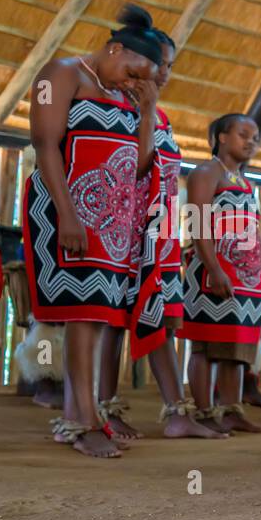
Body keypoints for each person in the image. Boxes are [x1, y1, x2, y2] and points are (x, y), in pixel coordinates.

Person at [22, 5, 164, 457]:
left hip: (112, 221)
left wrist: (147, 110)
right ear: (114, 47)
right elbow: (44, 145)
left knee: (101, 316)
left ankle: (87, 412)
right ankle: (79, 420)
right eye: (132, 71)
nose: (134, 81)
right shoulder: (60, 72)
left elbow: (138, 166)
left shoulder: (126, 96)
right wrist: (67, 215)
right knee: (83, 313)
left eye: (145, 79)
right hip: (67, 210)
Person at [97, 29, 223, 441]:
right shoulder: (114, 105)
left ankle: (176, 412)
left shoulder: (161, 114)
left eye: (169, 65)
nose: (163, 72)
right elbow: (135, 165)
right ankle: (104, 409)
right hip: (124, 230)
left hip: (161, 230)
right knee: (115, 319)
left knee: (164, 316)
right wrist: (147, 111)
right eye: (159, 63)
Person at [179, 112, 261, 433]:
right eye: (244, 134)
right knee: (206, 343)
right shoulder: (206, 173)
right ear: (222, 137)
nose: (251, 142)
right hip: (212, 272)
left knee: (236, 347)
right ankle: (204, 412)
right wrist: (214, 269)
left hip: (245, 277)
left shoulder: (245, 182)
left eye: (255, 137)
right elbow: (198, 223)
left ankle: (231, 409)